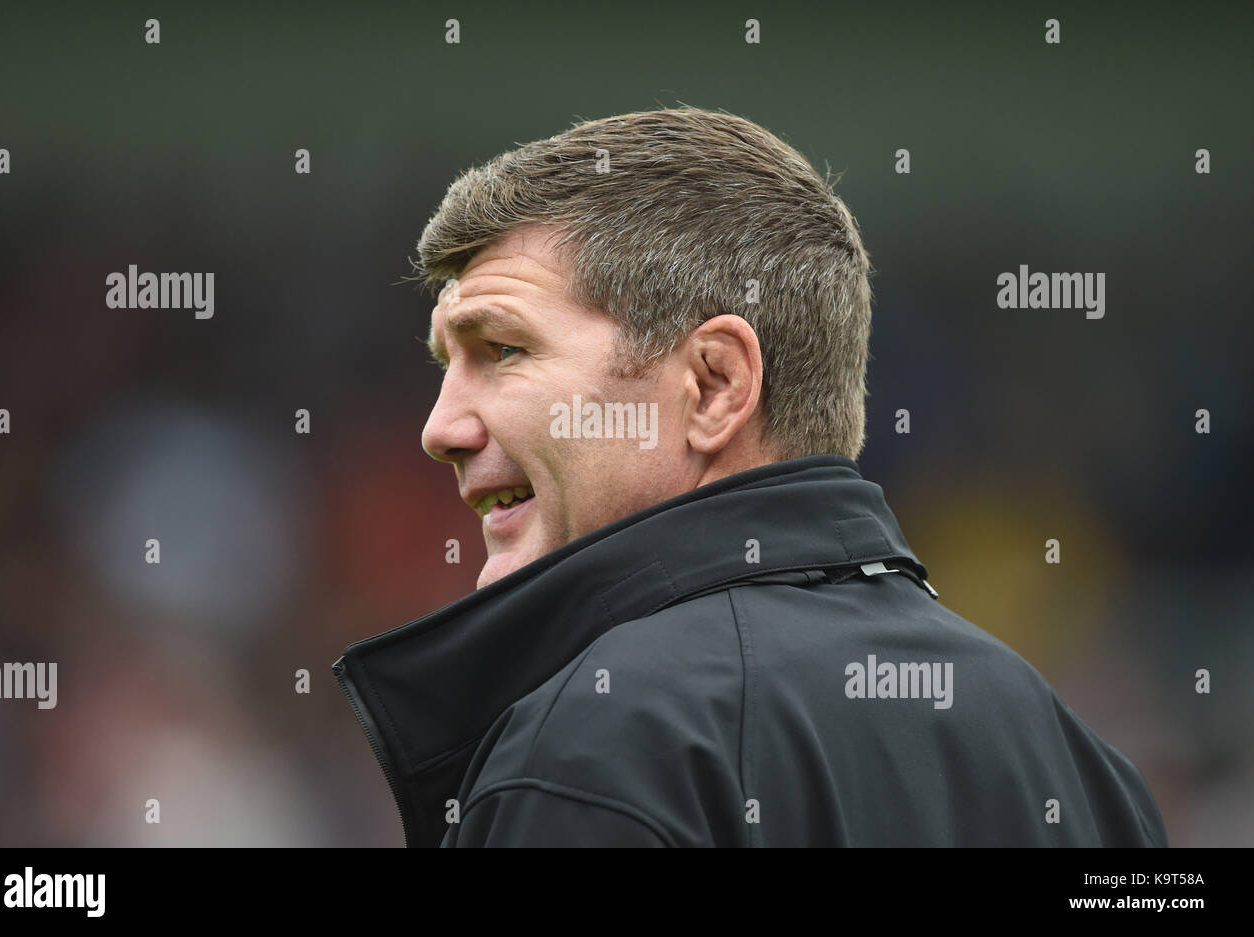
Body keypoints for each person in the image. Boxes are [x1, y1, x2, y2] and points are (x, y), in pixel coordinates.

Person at [333, 106, 1168, 847]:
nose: (440, 428)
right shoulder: (1082, 769)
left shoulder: (596, 746)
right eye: (449, 362)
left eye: (503, 349)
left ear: (714, 385)